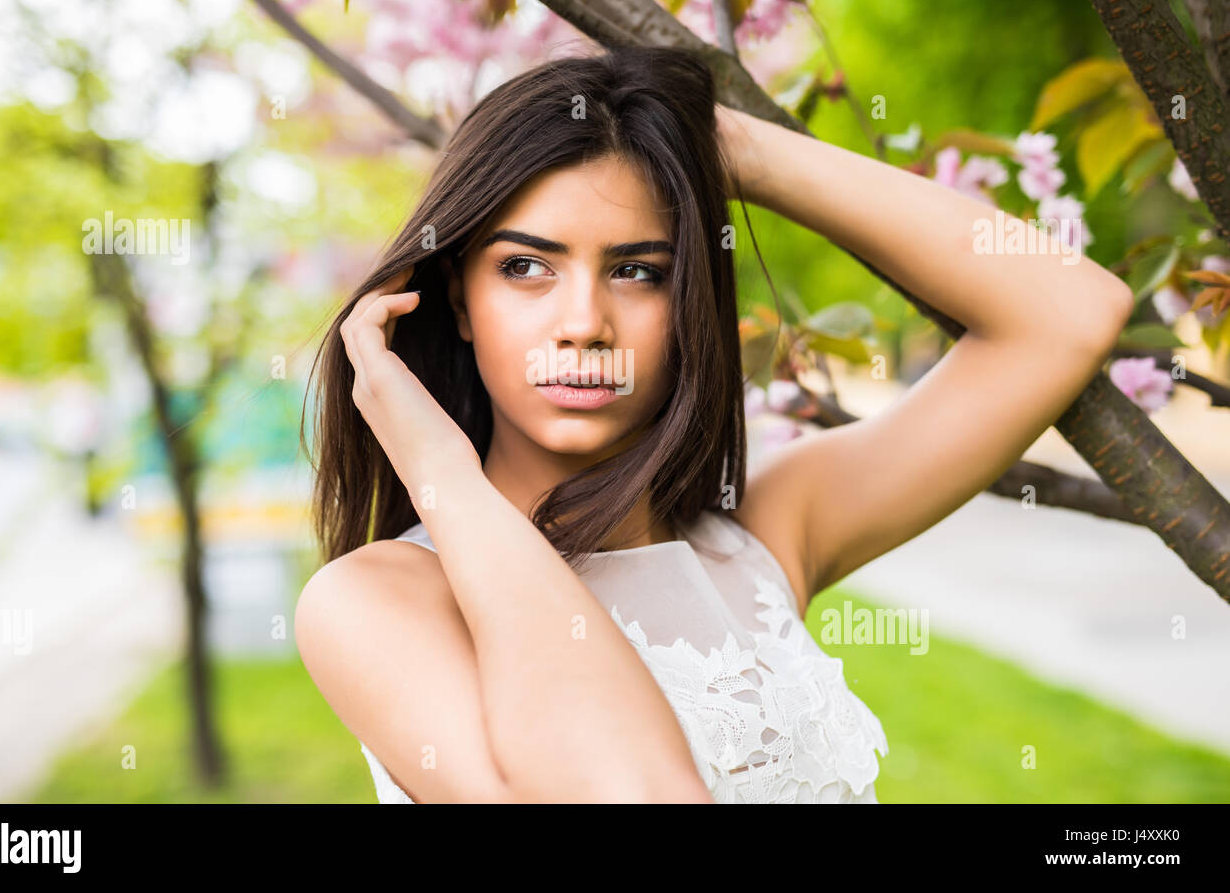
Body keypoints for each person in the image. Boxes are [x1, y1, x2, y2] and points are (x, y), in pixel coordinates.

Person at [293, 44, 1134, 804]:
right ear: (458, 303)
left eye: (637, 271)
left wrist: (725, 147)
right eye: (525, 268)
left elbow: (1066, 311)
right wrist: (442, 476)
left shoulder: (767, 536)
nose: (583, 322)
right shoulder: (377, 605)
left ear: (690, 297)